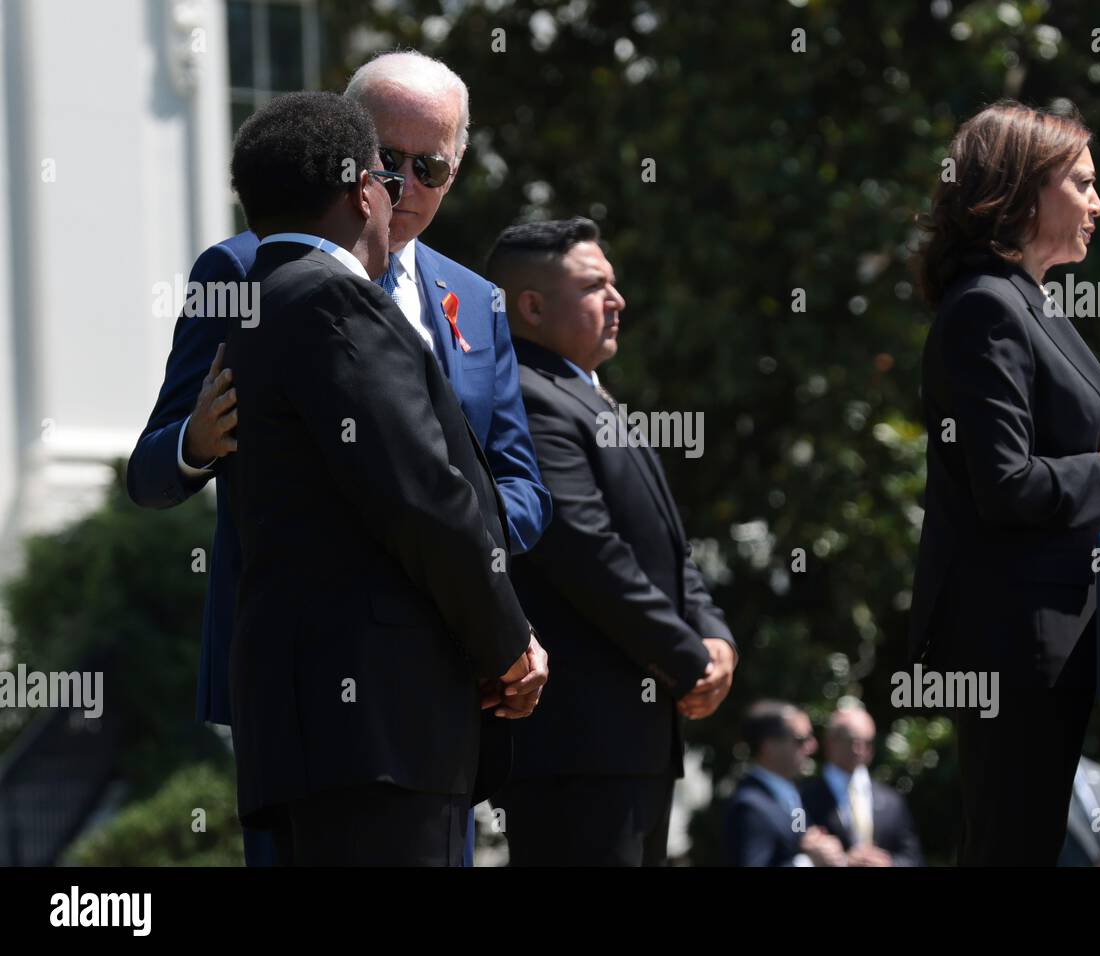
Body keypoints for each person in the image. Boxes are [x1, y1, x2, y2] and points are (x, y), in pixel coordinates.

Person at [125, 52, 551, 865]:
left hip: (448, 677)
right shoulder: (247, 271)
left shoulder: (474, 300)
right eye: (386, 162)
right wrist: (194, 444)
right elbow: (148, 470)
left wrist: (476, 563)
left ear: (454, 173)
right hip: (315, 689)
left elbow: (515, 482)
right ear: (351, 165)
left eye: (429, 168)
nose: (404, 187)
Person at [908, 99, 1100, 866]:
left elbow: (1056, 464)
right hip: (1013, 635)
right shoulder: (985, 309)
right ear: (1025, 191)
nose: (1098, 203)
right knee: (1011, 848)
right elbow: (1004, 484)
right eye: (1084, 184)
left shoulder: (1033, 303)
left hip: (1060, 625)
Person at [484, 217, 738, 866]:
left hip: (632, 744)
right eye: (596, 285)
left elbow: (670, 549)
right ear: (532, 306)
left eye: (614, 284)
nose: (617, 300)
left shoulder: (586, 395)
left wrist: (715, 638)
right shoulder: (530, 398)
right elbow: (587, 553)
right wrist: (688, 660)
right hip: (579, 749)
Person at [724, 701, 845, 867]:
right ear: (769, 746)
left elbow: (798, 838)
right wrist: (809, 862)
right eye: (801, 740)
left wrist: (819, 845)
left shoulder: (792, 793)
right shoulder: (749, 807)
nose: (812, 746)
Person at [801, 704, 923, 866]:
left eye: (868, 741)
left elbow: (913, 858)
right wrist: (842, 860)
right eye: (853, 740)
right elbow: (795, 844)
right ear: (830, 742)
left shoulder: (891, 800)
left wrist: (887, 864)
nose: (860, 749)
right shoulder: (802, 796)